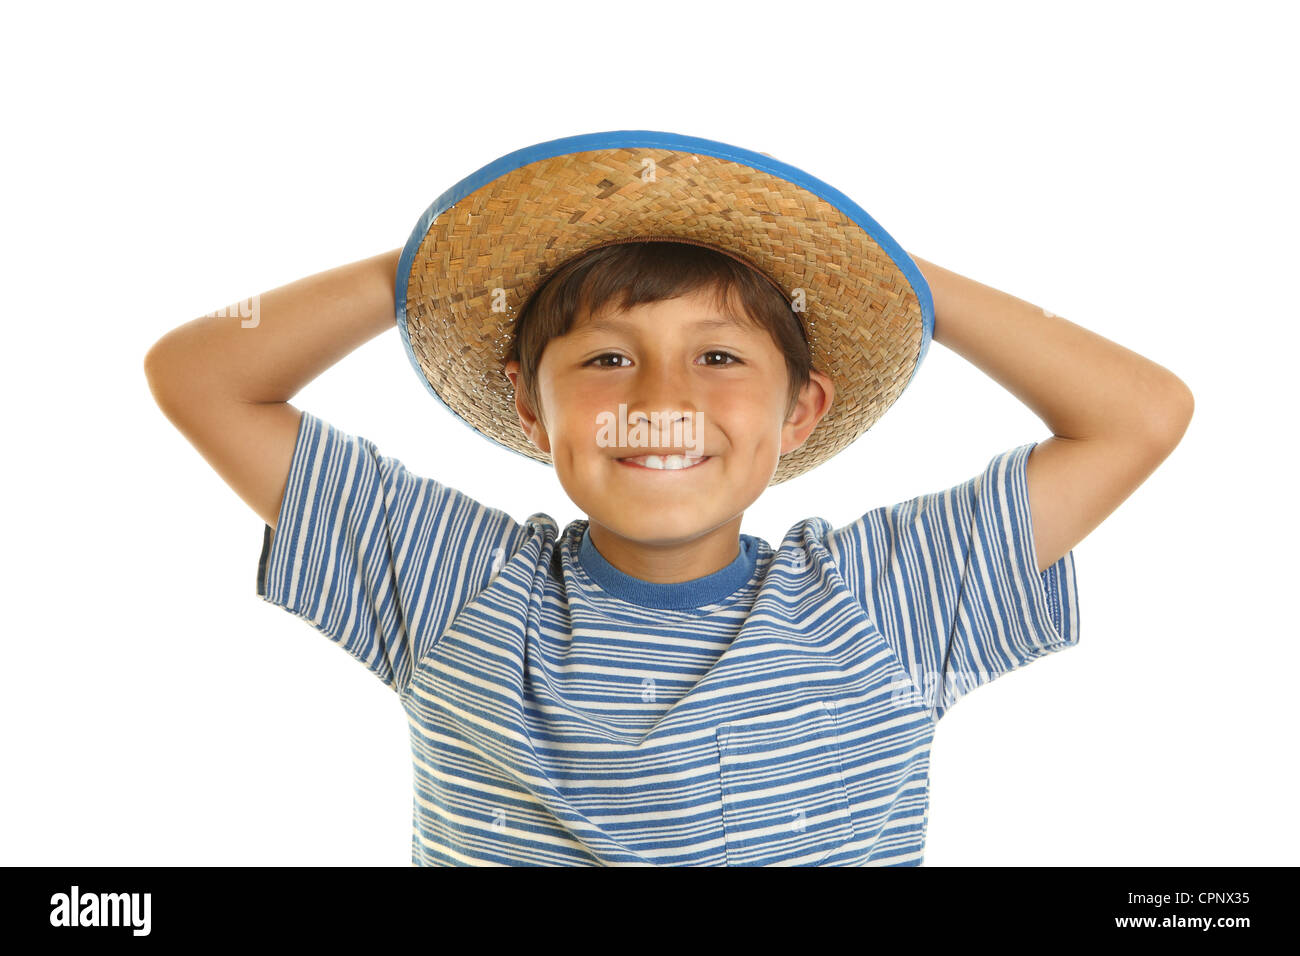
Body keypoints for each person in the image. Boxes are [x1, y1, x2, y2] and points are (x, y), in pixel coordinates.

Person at [144, 199, 1193, 869]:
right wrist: (435, 257)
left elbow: (1141, 412)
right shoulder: (453, 582)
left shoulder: (885, 599)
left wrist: (889, 269)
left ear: (799, 412)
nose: (661, 397)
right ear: (527, 406)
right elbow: (199, 372)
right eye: (605, 359)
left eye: (720, 358)